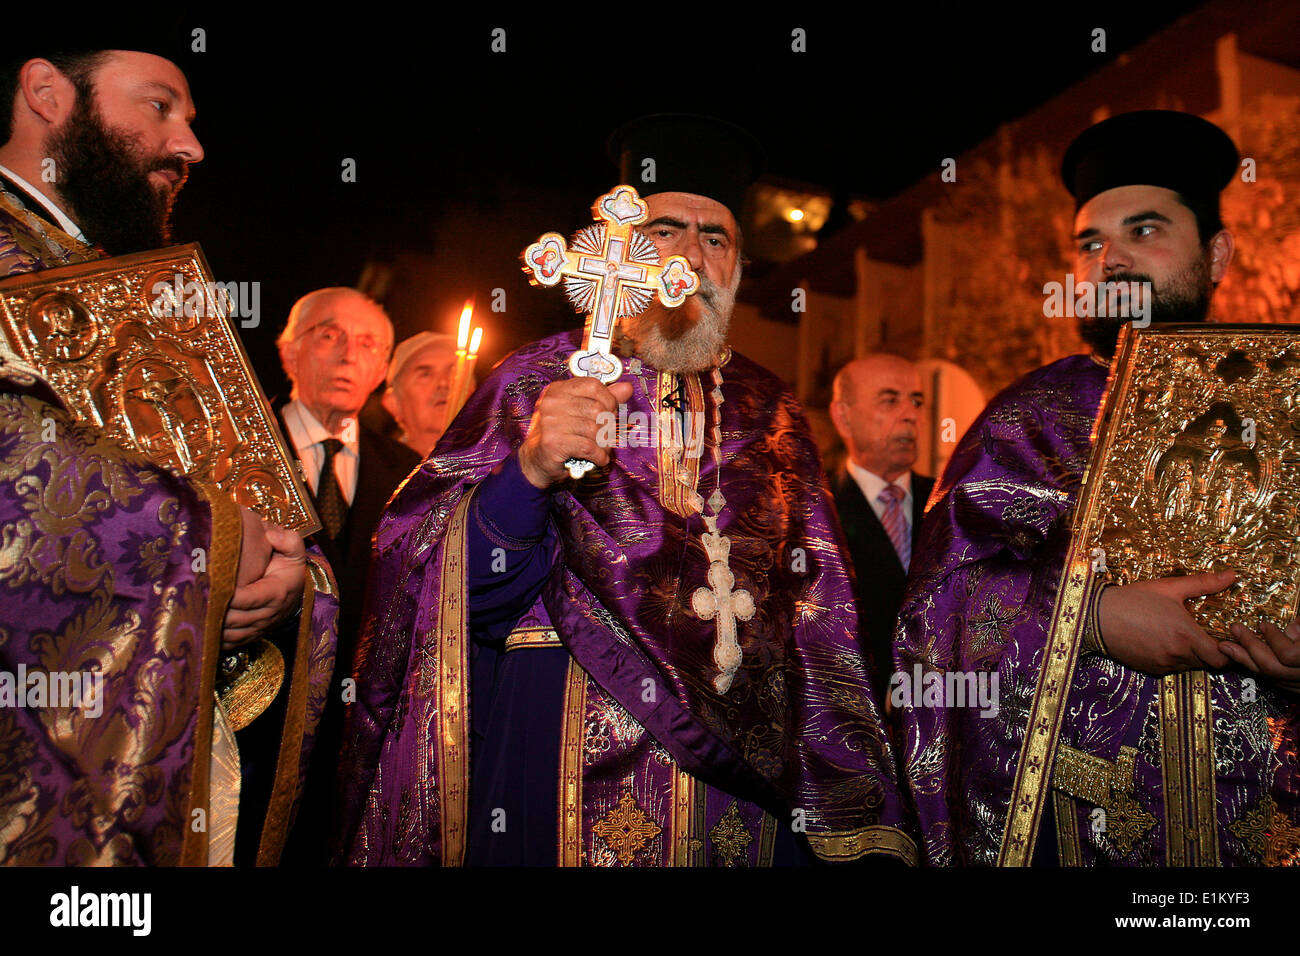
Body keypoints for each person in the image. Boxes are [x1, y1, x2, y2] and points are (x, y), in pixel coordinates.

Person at [335, 114, 915, 867]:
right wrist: (530, 474)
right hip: (556, 757)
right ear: (623, 247)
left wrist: (845, 810)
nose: (694, 258)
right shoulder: (533, 382)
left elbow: (822, 621)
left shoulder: (772, 414)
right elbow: (439, 592)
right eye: (669, 230)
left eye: (717, 240)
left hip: (741, 796)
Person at [893, 110, 1300, 866]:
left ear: (1216, 253)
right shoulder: (1022, 422)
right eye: (1090, 243)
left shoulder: (1288, 408)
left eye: (1145, 231)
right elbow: (933, 612)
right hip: (1082, 828)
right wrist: (1091, 615)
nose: (1110, 260)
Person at [0, 34, 337, 866]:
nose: (190, 146)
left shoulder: (148, 288)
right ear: (46, 91)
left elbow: (254, 491)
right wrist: (217, 536)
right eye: (159, 105)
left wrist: (292, 580)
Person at [275, 286, 420, 861]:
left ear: (382, 368)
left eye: (367, 344)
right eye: (328, 335)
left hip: (358, 737)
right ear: (288, 351)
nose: (347, 355)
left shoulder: (410, 474)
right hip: (258, 723)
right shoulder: (239, 446)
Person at [829, 354, 933, 697]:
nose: (910, 414)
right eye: (890, 400)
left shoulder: (949, 504)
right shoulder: (813, 510)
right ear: (843, 418)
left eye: (916, 401)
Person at [382, 331, 458, 457]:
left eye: (455, 371)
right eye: (425, 375)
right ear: (393, 404)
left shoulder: (495, 466)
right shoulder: (371, 471)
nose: (444, 383)